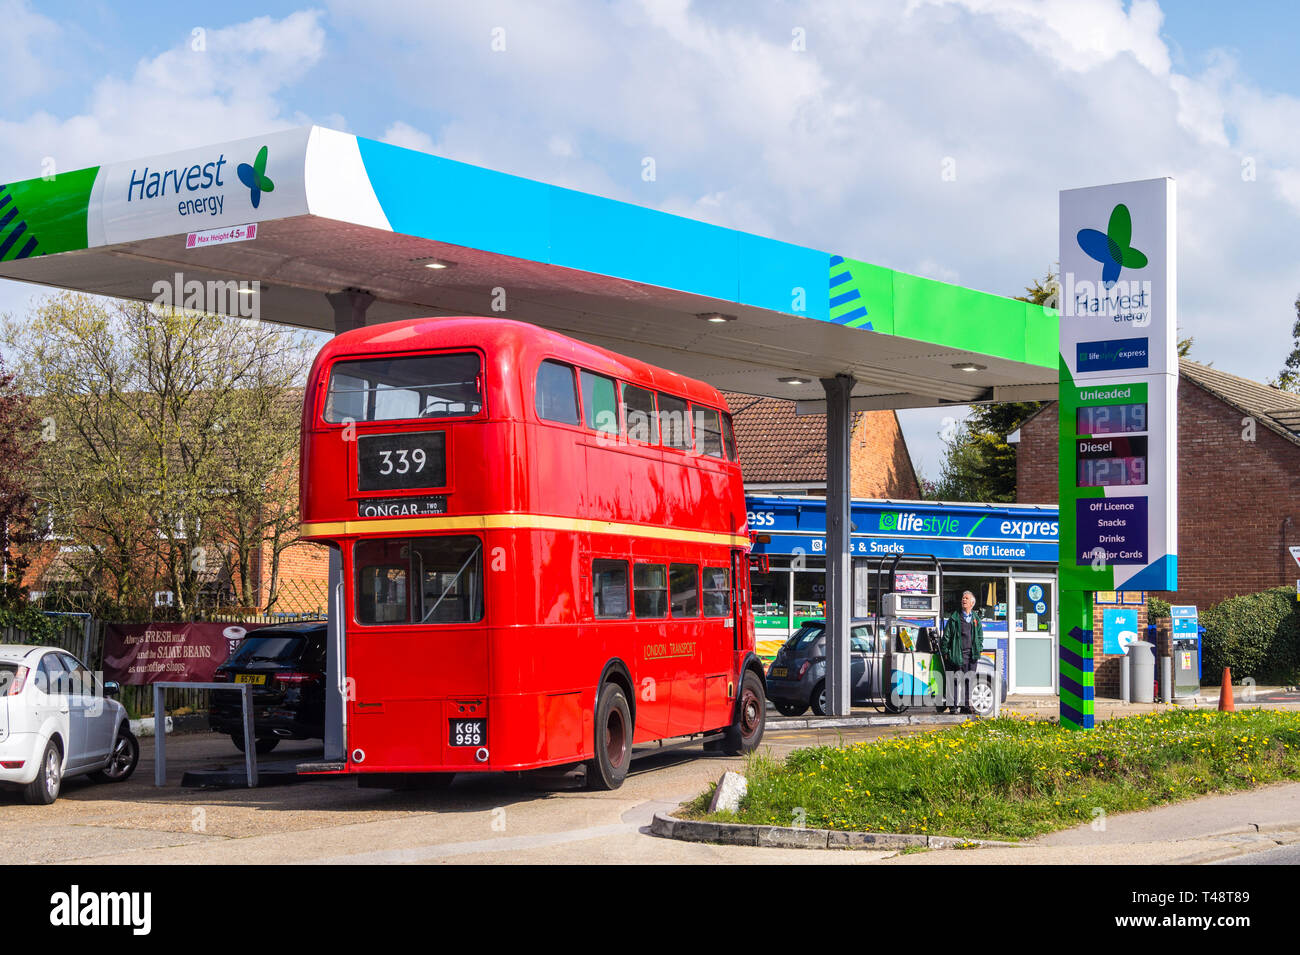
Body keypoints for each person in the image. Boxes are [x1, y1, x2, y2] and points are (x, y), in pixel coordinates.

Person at [942, 591, 984, 711]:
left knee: (968, 681)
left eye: (966, 598)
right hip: (957, 654)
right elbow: (947, 635)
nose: (963, 600)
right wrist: (945, 652)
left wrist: (979, 649)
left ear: (972, 603)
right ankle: (953, 707)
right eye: (963, 598)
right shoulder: (954, 618)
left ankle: (966, 706)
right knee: (955, 681)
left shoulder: (976, 619)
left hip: (971, 655)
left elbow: (980, 637)